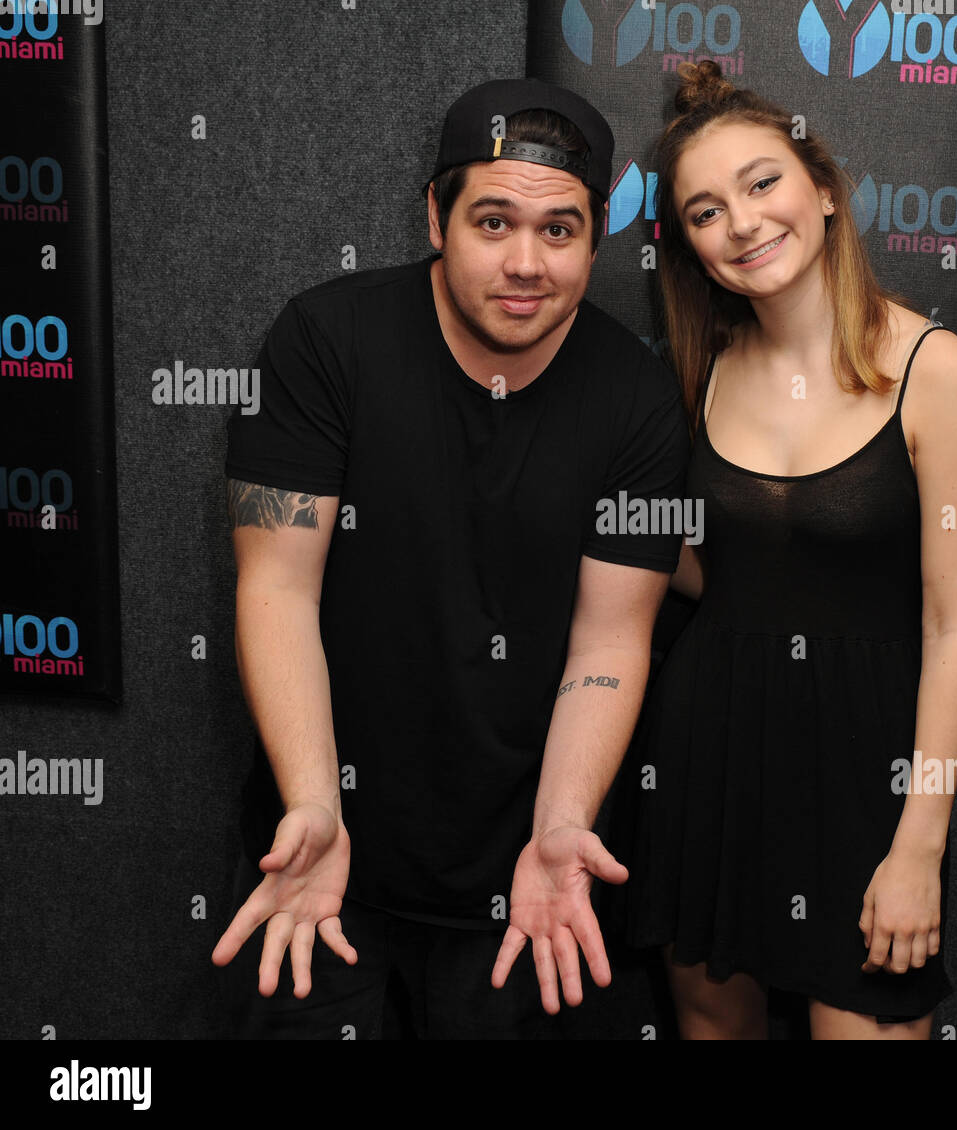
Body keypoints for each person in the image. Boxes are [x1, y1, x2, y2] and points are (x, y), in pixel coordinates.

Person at [210, 78, 691, 1039]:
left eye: (560, 231)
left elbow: (613, 638)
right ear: (435, 215)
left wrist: (563, 828)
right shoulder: (322, 343)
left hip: (523, 886)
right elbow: (276, 588)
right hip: (319, 854)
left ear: (598, 240)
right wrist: (313, 803)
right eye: (493, 221)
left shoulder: (640, 399)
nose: (525, 263)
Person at [622, 61, 957, 1040]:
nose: (740, 223)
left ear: (822, 190)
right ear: (691, 248)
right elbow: (720, 572)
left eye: (761, 183)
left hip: (867, 776)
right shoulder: (698, 371)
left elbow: (954, 628)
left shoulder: (932, 367)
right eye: (704, 211)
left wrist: (919, 844)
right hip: (708, 753)